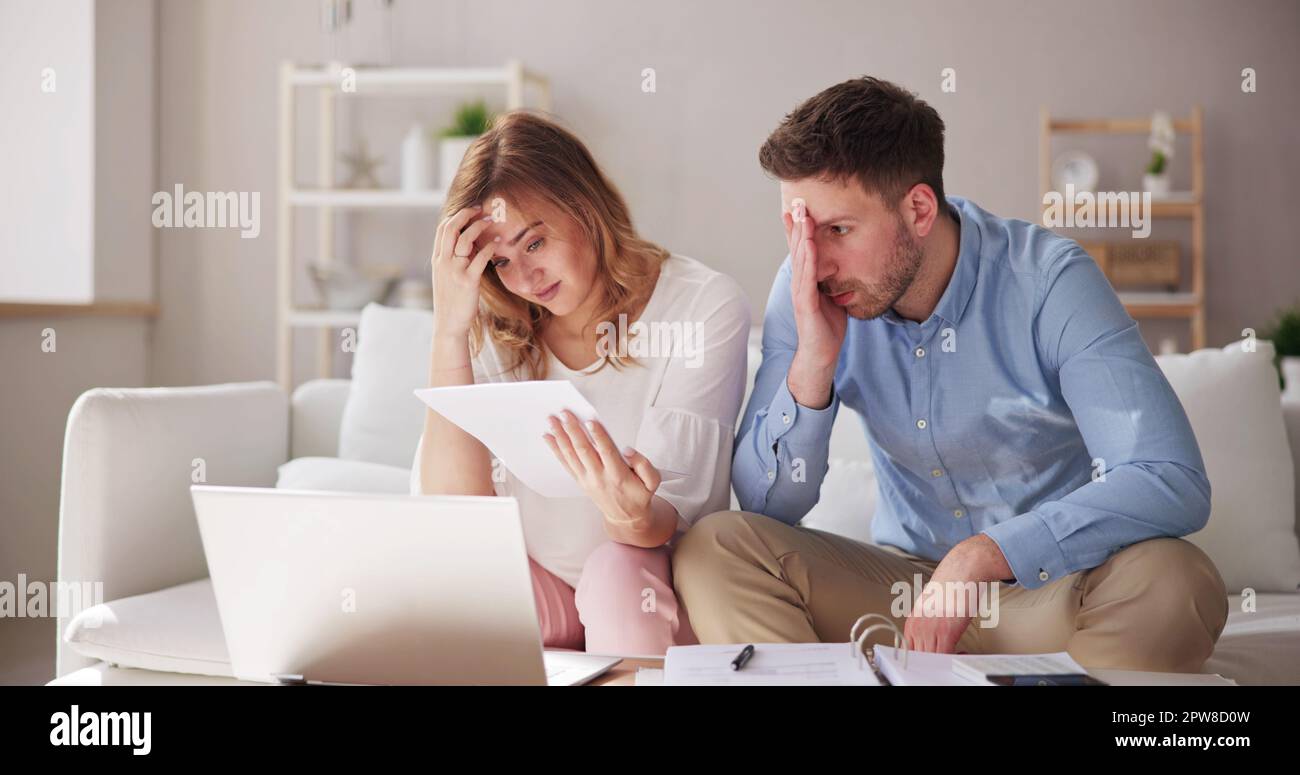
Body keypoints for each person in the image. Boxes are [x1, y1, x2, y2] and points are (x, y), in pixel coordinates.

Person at [672, 76, 1228, 672]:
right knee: (714, 548)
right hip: (899, 600)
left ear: (918, 209)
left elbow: (1168, 477)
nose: (817, 261)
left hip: (1056, 592)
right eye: (799, 230)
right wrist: (813, 364)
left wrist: (984, 555)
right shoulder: (808, 289)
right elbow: (764, 507)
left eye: (838, 230)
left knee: (1177, 581)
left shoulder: (1048, 282)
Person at [411, 111, 751, 656]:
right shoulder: (497, 319)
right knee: (444, 583)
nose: (524, 278)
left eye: (535, 243)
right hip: (545, 588)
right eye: (500, 261)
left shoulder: (702, 306)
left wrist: (627, 509)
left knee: (616, 576)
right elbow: (459, 522)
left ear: (584, 205)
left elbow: (656, 529)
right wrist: (450, 330)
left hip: (649, 579)